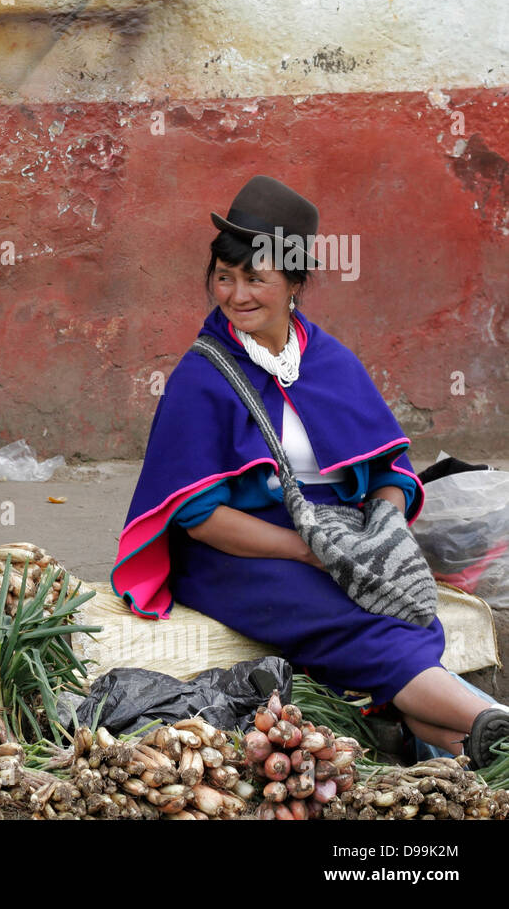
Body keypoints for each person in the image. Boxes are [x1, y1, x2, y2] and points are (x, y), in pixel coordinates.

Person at [112, 175, 509, 767]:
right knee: (354, 618)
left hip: (340, 536)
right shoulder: (202, 376)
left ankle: (464, 744)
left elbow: (392, 472)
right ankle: (485, 725)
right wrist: (307, 550)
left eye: (255, 278)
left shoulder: (328, 360)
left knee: (409, 611)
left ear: (295, 282)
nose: (236, 294)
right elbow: (197, 517)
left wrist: (382, 528)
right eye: (224, 277)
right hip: (239, 555)